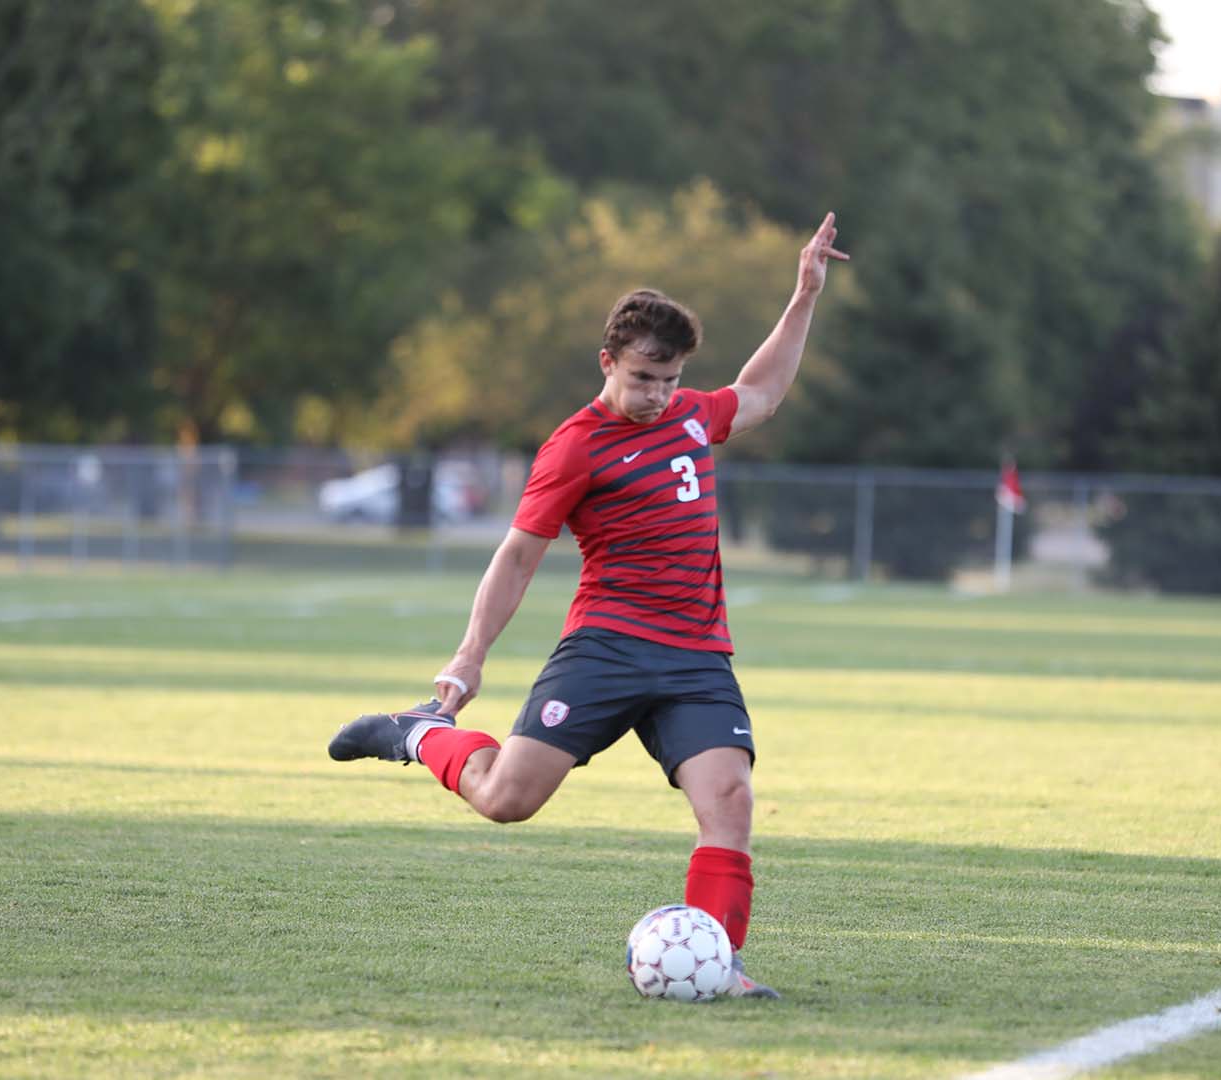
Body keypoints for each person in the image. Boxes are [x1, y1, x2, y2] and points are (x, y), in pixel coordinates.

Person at [329, 212, 849, 998]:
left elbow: (763, 392)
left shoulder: (690, 415)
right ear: (608, 362)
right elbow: (517, 556)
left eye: (670, 380)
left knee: (730, 801)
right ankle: (418, 735)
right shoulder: (574, 446)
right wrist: (470, 655)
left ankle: (723, 966)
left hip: (697, 657)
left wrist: (804, 294)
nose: (658, 395)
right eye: (643, 379)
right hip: (607, 648)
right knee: (506, 799)